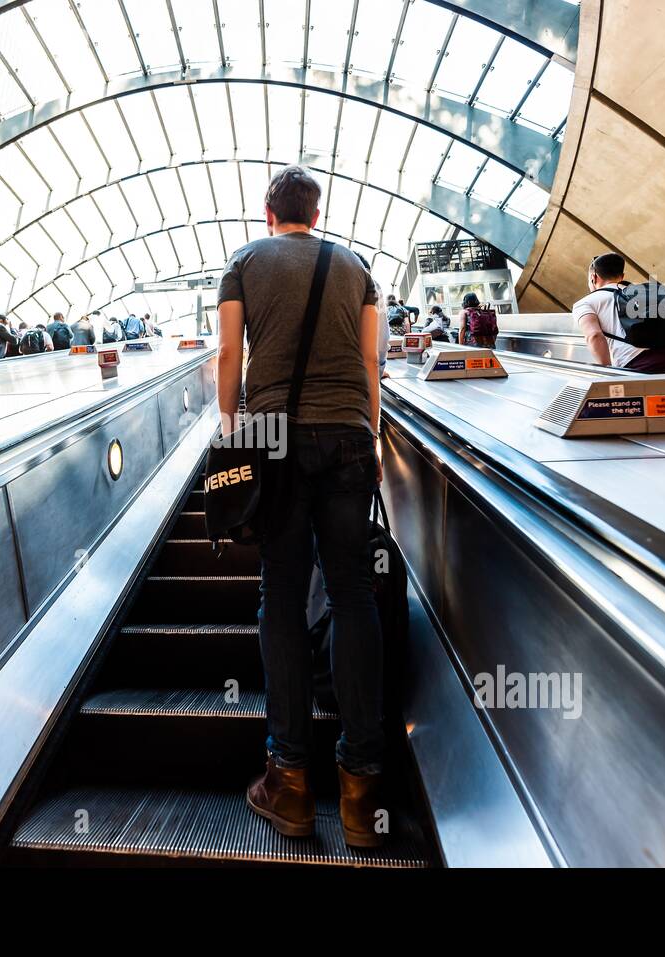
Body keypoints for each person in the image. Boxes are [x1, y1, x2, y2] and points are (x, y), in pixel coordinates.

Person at [217, 165, 384, 849]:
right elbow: (372, 361)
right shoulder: (357, 266)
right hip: (347, 433)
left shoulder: (243, 262)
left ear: (268, 213)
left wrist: (230, 429)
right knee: (353, 596)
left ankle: (288, 780)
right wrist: (370, 433)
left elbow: (231, 350)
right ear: (316, 212)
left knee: (280, 598)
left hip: (273, 437)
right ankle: (362, 788)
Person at [572, 253, 665, 376]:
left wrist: (607, 373)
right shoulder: (646, 293)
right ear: (622, 276)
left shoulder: (586, 303)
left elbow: (594, 336)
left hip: (641, 367)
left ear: (593, 277)